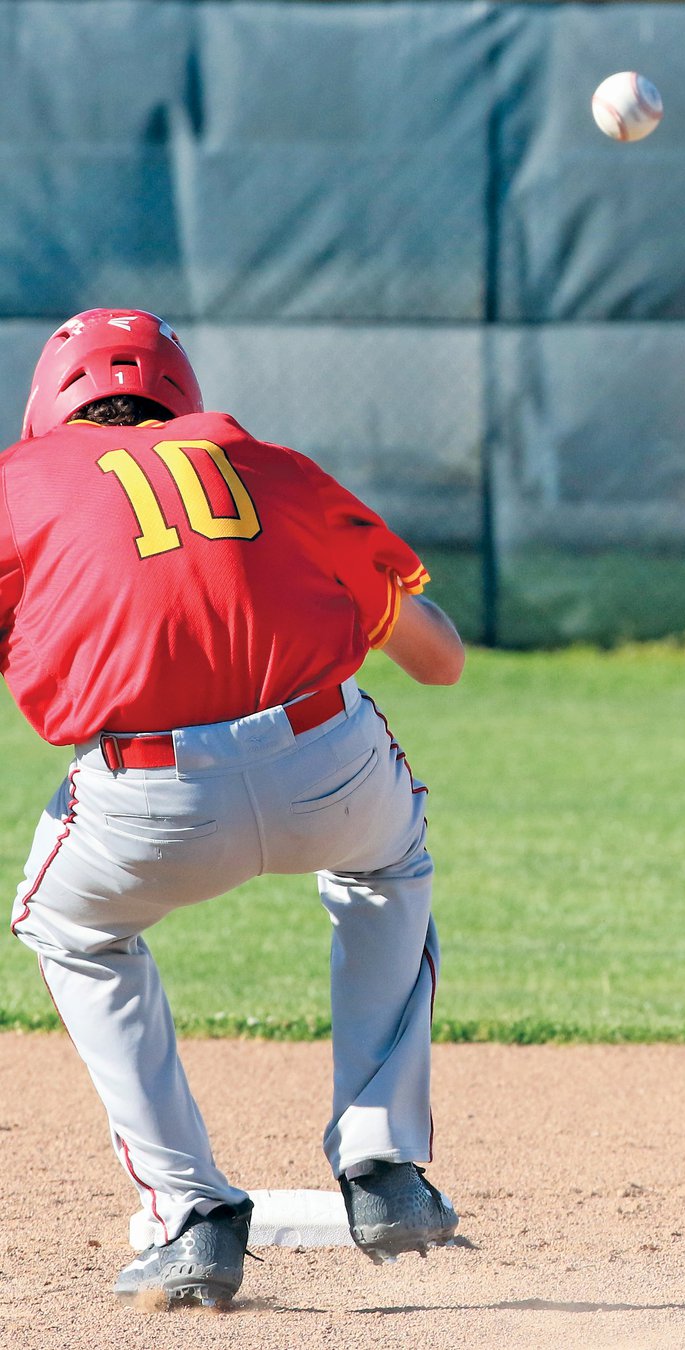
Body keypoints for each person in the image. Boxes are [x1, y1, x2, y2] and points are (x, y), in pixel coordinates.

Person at [0, 310, 468, 1308]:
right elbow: (442, 658)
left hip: (149, 797)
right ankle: (385, 1165)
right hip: (327, 760)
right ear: (181, 395)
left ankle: (193, 1217)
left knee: (67, 926)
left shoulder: (19, 485)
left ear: (51, 404)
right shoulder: (261, 462)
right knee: (389, 865)